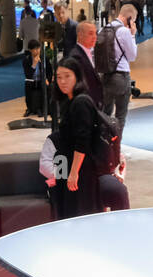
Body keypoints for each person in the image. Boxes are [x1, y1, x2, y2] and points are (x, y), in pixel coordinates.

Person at [50, 58, 101, 218]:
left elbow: (82, 141)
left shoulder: (81, 102)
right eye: (59, 77)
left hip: (80, 169)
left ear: (77, 77)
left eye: (67, 76)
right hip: (67, 165)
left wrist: (73, 173)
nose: (62, 81)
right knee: (68, 211)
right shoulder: (68, 100)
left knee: (79, 213)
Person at [98, 4, 138, 133]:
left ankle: (103, 149)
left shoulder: (103, 29)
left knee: (104, 116)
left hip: (105, 77)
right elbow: (132, 56)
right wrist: (132, 35)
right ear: (130, 18)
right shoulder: (124, 32)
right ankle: (115, 151)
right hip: (121, 78)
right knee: (120, 117)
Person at [72, 20, 106, 109]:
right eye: (90, 34)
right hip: (84, 107)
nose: (95, 37)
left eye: (95, 33)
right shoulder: (76, 56)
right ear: (80, 35)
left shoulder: (89, 53)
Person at [23, 39, 51, 115]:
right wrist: (34, 65)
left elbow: (49, 72)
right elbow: (28, 75)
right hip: (32, 80)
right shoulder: (26, 60)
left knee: (45, 86)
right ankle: (30, 108)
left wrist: (47, 79)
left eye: (38, 48)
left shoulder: (44, 58)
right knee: (28, 84)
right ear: (30, 50)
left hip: (42, 80)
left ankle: (42, 108)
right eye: (35, 49)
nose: (37, 51)